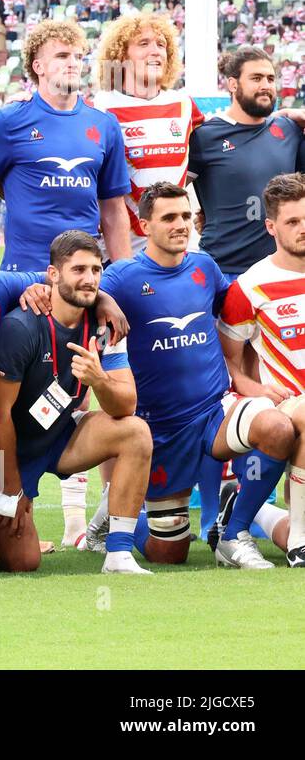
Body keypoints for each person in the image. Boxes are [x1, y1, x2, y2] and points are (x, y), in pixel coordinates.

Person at [100, 181, 301, 569]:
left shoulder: (205, 267)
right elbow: (85, 293)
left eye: (186, 217)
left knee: (277, 428)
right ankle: (115, 515)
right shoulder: (123, 277)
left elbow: (239, 316)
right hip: (160, 429)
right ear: (144, 226)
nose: (181, 225)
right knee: (169, 554)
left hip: (214, 413)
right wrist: (104, 300)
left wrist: (247, 382)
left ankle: (234, 533)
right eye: (169, 217)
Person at [0, 230, 153, 575]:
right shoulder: (21, 327)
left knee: (135, 432)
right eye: (78, 270)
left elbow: (126, 406)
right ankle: (3, 529)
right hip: (15, 449)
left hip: (62, 435)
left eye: (95, 270)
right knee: (21, 562)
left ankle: (118, 555)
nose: (89, 279)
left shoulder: (106, 325)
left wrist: (99, 380)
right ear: (53, 274)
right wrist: (12, 491)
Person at [0, 19, 132, 272]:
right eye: (62, 56)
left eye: (78, 56)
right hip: (25, 275)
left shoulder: (105, 124)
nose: (73, 63)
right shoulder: (7, 121)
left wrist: (125, 275)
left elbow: (113, 209)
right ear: (38, 66)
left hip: (83, 276)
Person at [217, 173, 305, 568]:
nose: (304, 229)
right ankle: (301, 543)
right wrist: (254, 389)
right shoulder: (250, 287)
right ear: (271, 226)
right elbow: (230, 362)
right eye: (293, 222)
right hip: (287, 404)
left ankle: (254, 511)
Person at [189, 48, 305, 276]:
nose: (266, 85)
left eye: (270, 79)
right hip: (226, 272)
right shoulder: (205, 137)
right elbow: (171, 190)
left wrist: (292, 113)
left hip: (284, 270)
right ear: (233, 84)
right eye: (256, 78)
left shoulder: (289, 130)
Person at [89, 15, 202, 250]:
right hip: (121, 252)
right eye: (144, 44)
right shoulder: (99, 108)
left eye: (161, 45)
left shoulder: (185, 105)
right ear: (121, 56)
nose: (156, 51)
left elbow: (218, 149)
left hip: (179, 252)